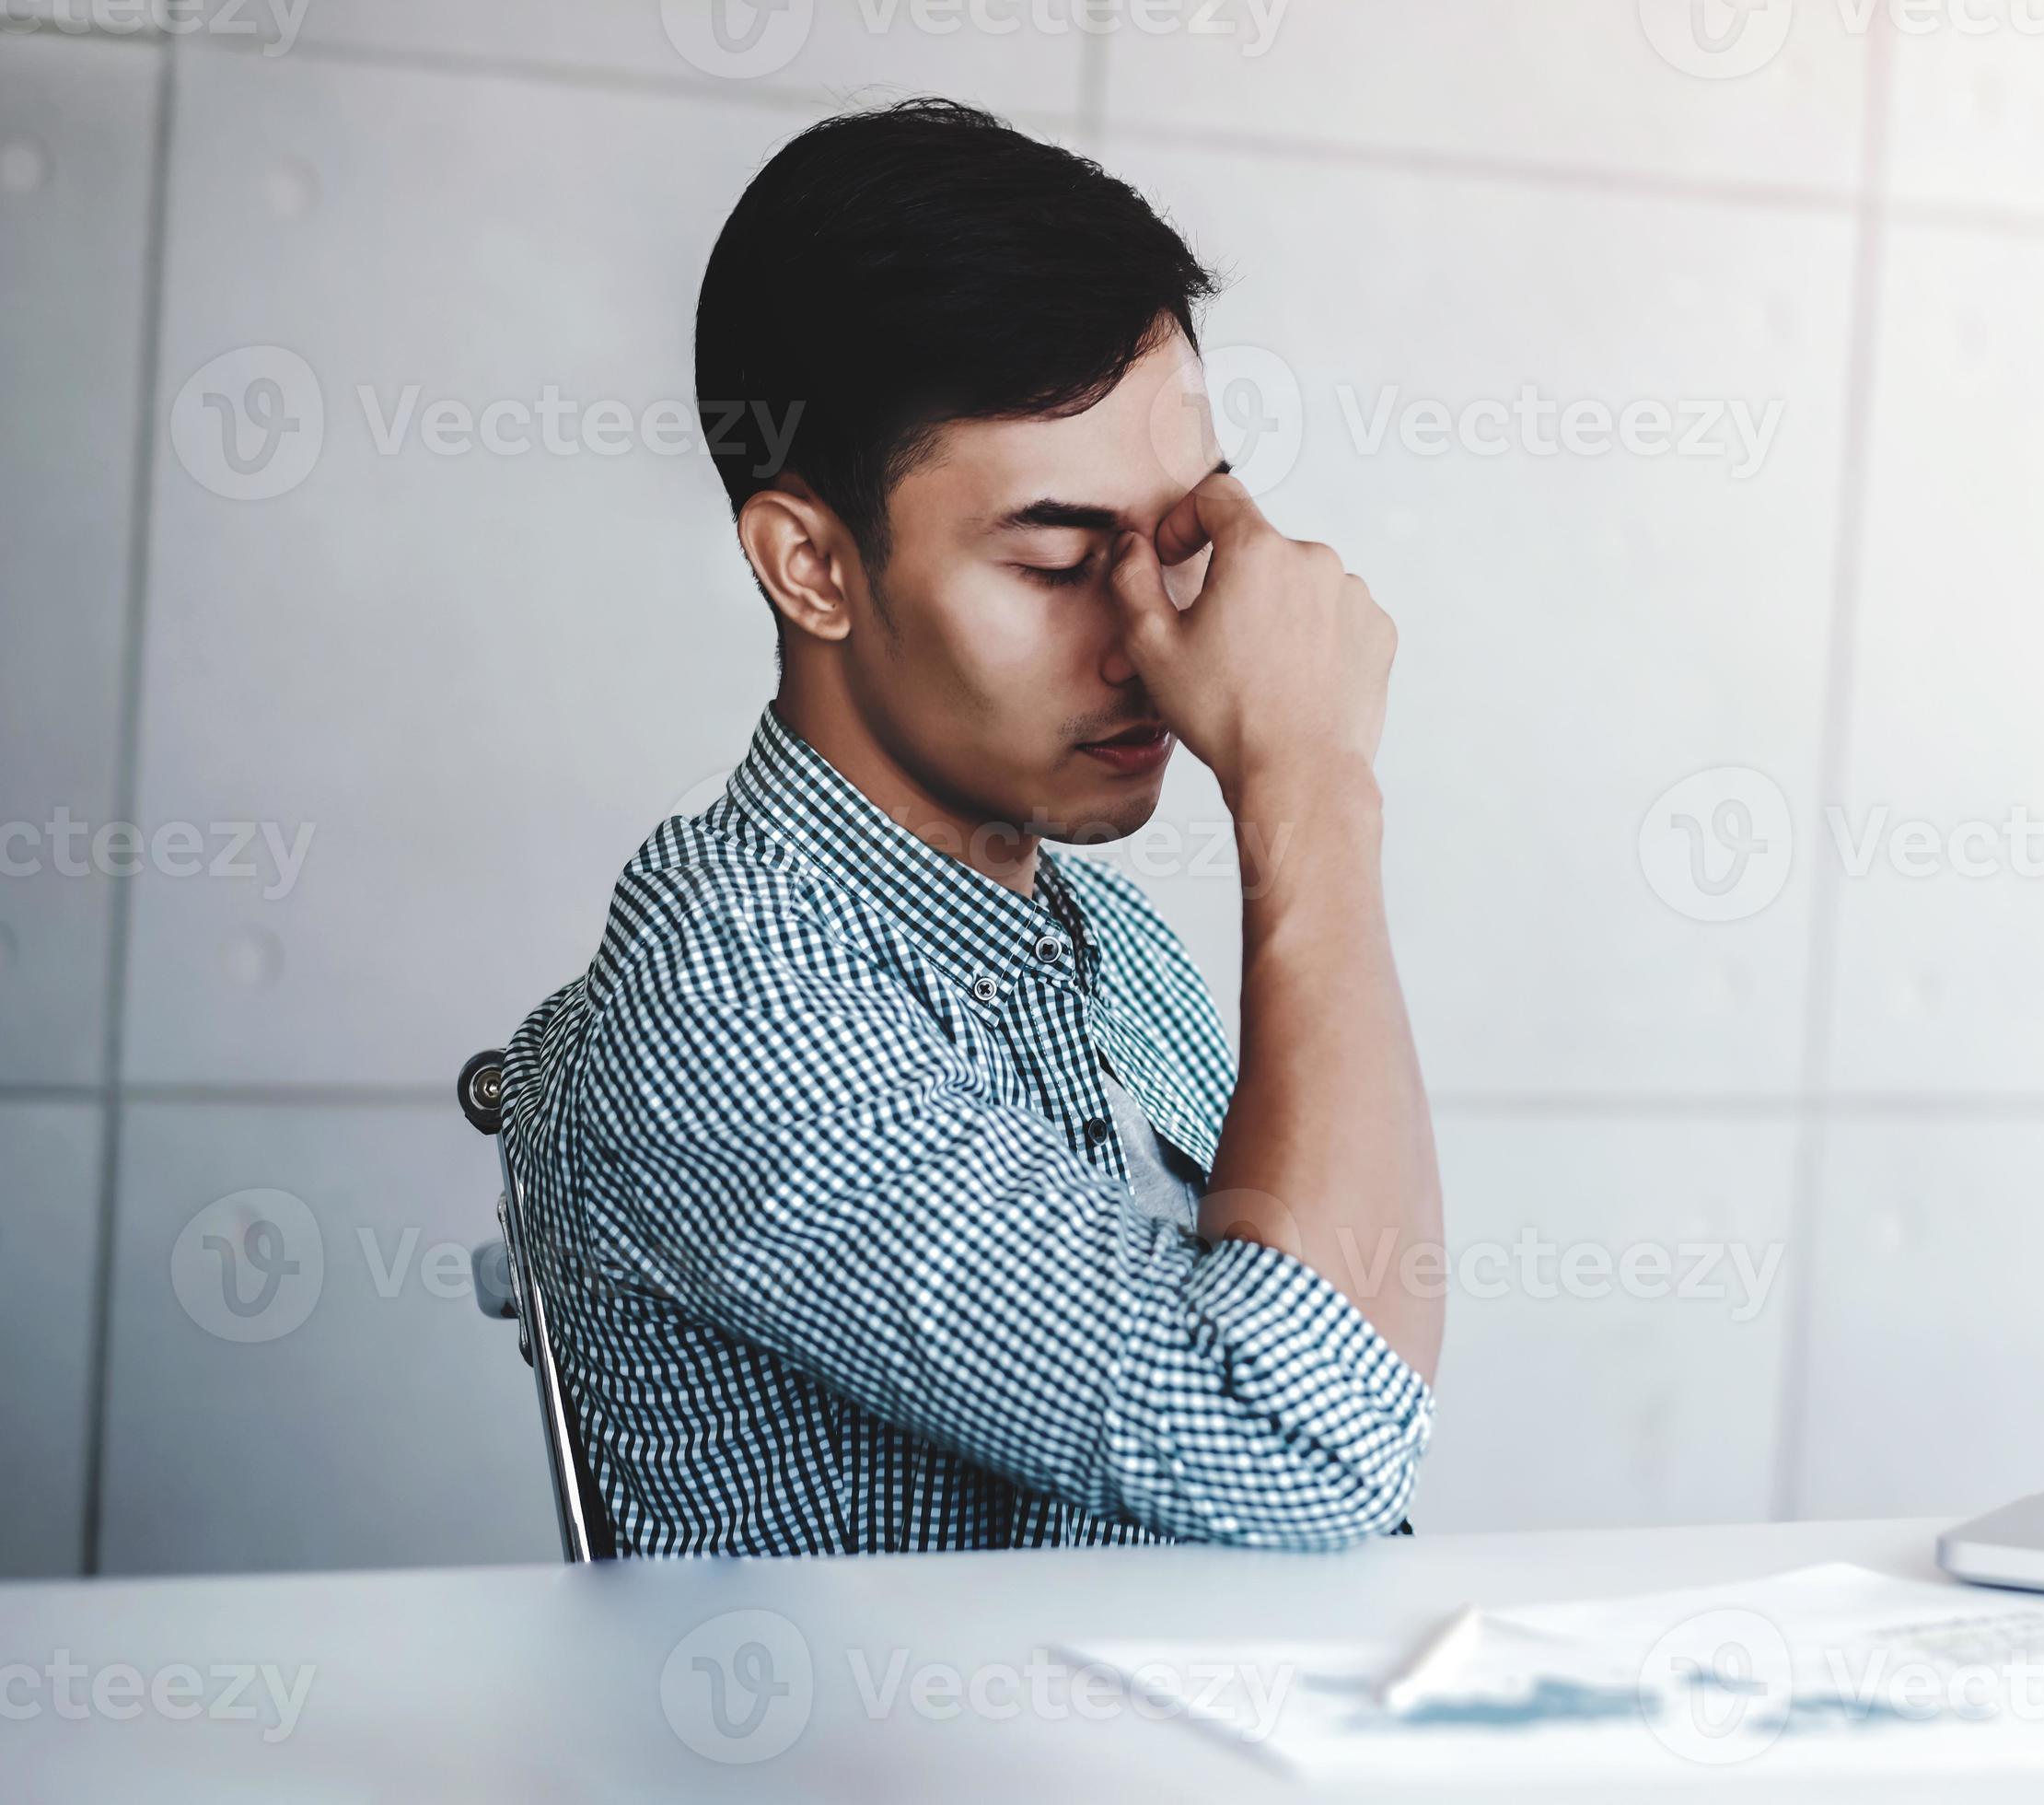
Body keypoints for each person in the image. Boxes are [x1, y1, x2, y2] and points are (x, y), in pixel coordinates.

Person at [494, 98, 1445, 1555]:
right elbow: (1299, 1450)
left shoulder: (1112, 941)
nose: (1152, 636)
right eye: (1061, 560)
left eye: (1180, 542)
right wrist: (1310, 784)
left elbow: (1353, 1441)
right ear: (811, 565)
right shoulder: (722, 996)